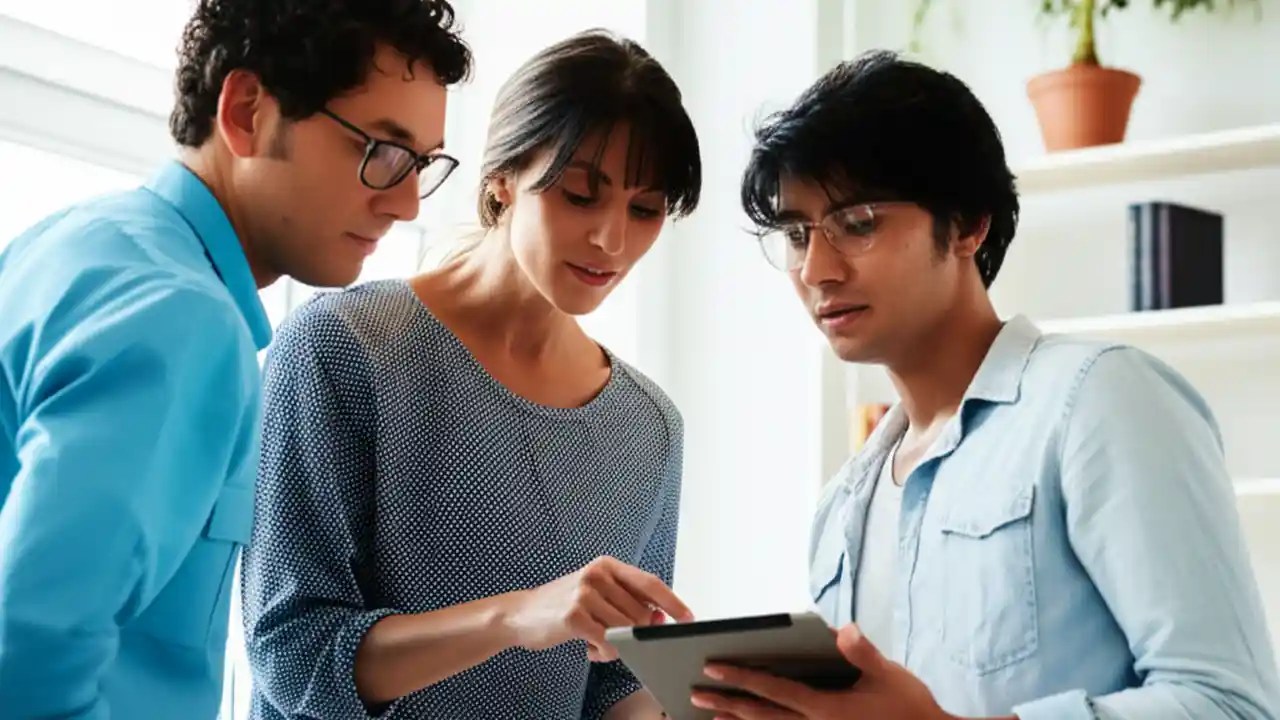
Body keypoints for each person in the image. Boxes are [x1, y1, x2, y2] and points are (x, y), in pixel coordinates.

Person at [689, 50, 1280, 720]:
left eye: (859, 224)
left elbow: (1231, 704)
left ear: (969, 224)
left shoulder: (1099, 400)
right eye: (797, 235)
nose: (816, 269)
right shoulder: (842, 503)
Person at [0, 1, 470, 717]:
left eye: (422, 165)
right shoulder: (180, 318)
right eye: (382, 151)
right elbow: (29, 648)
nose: (406, 203)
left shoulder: (75, 243)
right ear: (248, 112)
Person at [241, 29, 701, 720]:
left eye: (644, 210)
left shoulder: (650, 426)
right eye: (581, 194)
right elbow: (293, 655)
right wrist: (516, 617)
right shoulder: (343, 349)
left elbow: (612, 682)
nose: (612, 240)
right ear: (502, 179)